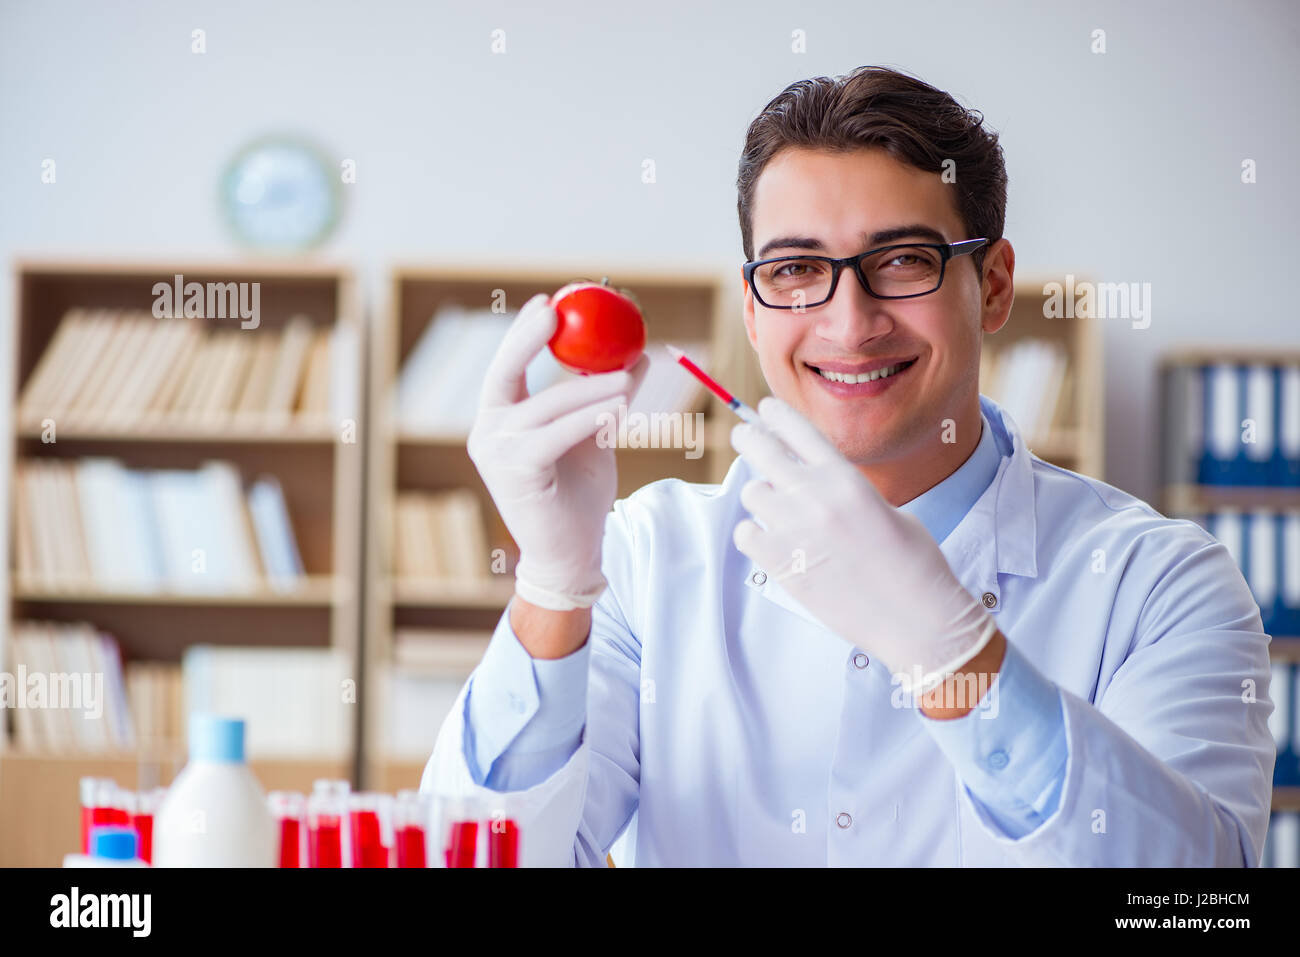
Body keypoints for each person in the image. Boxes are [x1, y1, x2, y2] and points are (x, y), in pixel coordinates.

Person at [420, 64, 1274, 866]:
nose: (849, 321)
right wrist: (553, 586)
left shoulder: (1160, 583)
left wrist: (958, 660)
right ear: (753, 309)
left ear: (996, 285)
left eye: (903, 260)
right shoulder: (647, 561)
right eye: (796, 270)